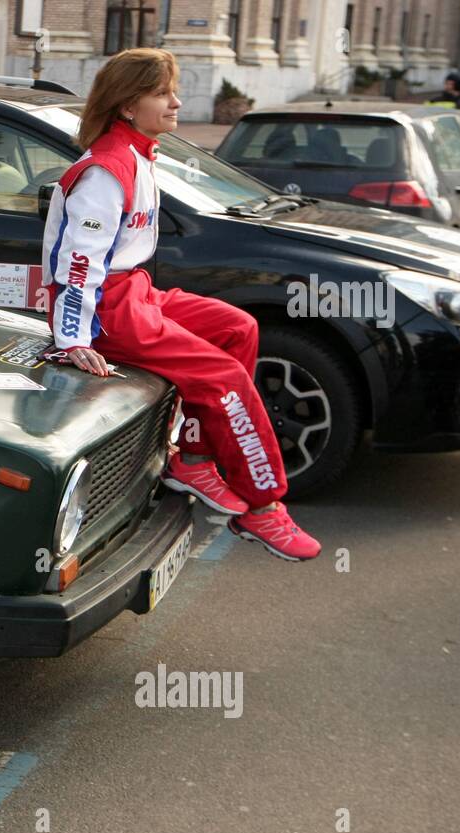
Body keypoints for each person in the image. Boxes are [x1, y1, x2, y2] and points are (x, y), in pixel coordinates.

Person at [40, 47, 321, 561]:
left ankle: (192, 458)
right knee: (224, 379)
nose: (177, 101)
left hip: (135, 290)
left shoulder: (139, 152)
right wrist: (73, 339)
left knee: (238, 328)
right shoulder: (105, 169)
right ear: (128, 105)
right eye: (162, 92)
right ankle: (264, 509)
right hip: (108, 307)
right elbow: (77, 264)